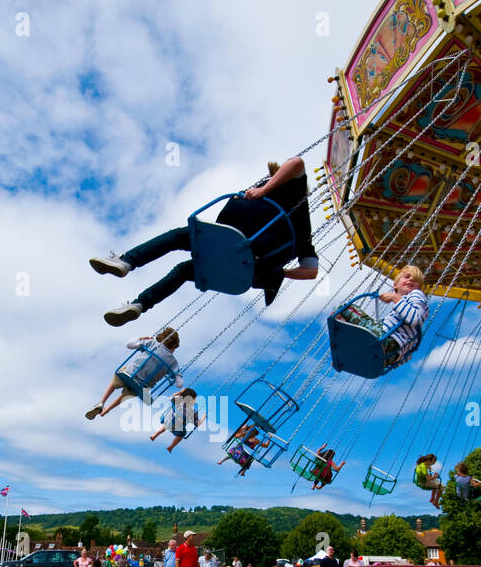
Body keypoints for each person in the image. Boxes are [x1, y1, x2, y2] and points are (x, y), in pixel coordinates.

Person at [90, 157, 321, 326]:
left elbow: (298, 163)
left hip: (231, 240)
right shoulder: (305, 231)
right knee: (183, 271)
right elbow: (311, 271)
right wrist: (281, 272)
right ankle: (138, 305)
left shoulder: (293, 191)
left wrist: (263, 190)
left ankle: (127, 261)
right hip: (244, 272)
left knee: (179, 237)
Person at [86, 328, 182, 420]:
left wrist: (141, 338)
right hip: (142, 387)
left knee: (118, 378)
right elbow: (179, 384)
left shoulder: (153, 343)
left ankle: (102, 402)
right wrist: (178, 376)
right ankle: (107, 410)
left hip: (129, 374)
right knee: (127, 394)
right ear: (175, 346)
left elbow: (129, 344)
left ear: (162, 338)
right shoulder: (173, 362)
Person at [377, 265, 429, 366]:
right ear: (395, 285)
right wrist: (399, 359)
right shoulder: (405, 307)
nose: (411, 280)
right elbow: (408, 353)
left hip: (387, 343)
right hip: (390, 355)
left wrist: (394, 297)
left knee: (347, 311)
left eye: (415, 280)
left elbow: (414, 318)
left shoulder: (416, 294)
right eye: (407, 277)